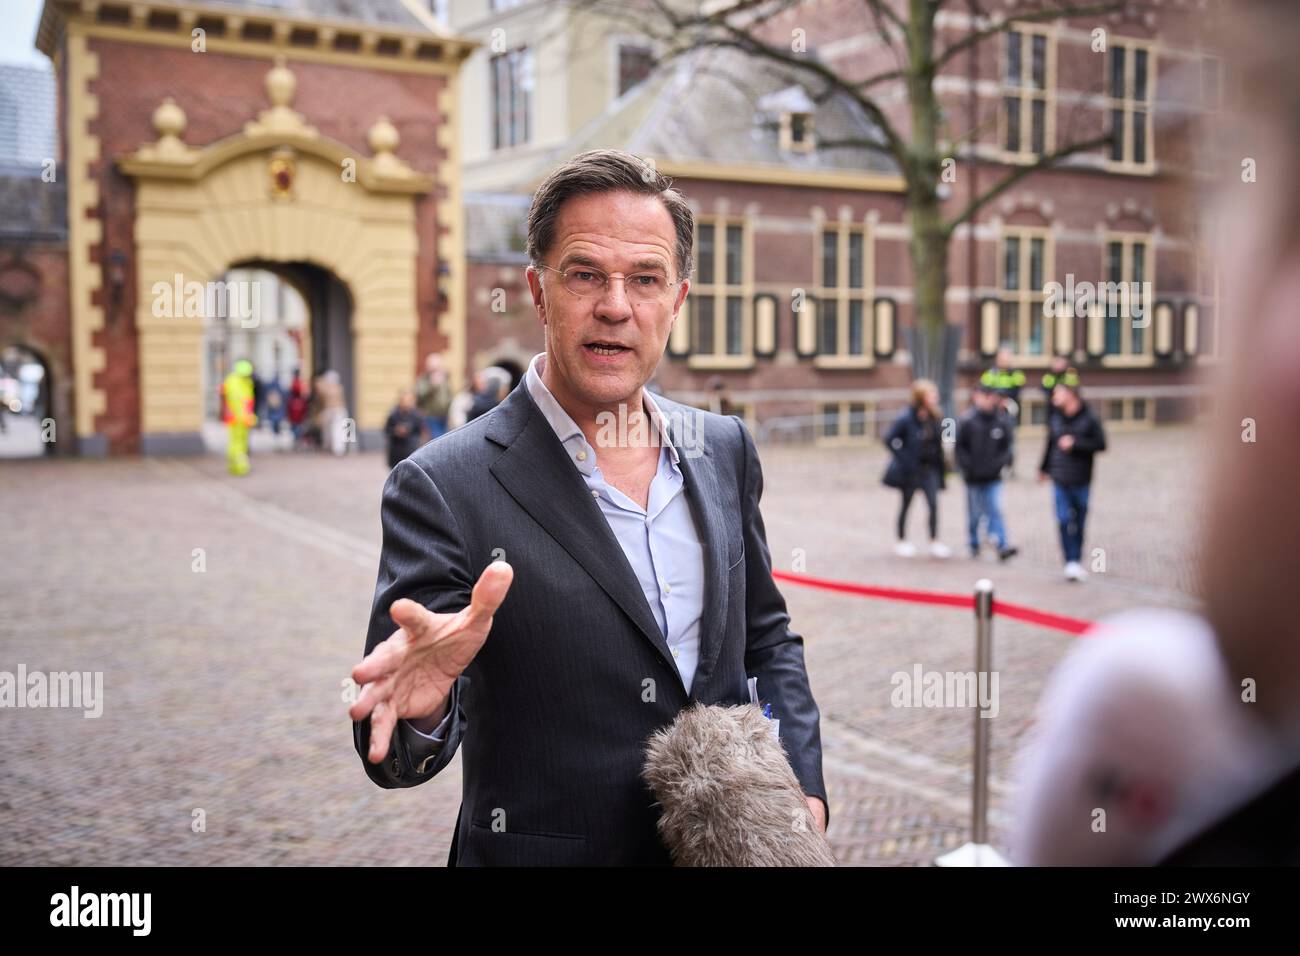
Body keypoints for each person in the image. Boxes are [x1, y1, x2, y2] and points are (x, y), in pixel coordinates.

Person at [348, 148, 827, 865]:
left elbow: (766, 638)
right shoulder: (443, 484)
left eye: (645, 279)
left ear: (678, 300)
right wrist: (428, 710)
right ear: (538, 293)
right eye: (585, 275)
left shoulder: (723, 447)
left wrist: (805, 793)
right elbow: (394, 744)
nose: (616, 305)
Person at [1038, 382, 1105, 581]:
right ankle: (1070, 560)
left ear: (1070, 395)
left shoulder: (1089, 418)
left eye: (1057, 393)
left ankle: (1076, 557)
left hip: (1081, 478)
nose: (1053, 397)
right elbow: (1050, 443)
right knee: (1063, 519)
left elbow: (1101, 444)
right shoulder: (1055, 417)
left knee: (1079, 519)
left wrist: (1076, 445)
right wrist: (1043, 469)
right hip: (1060, 478)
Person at [883, 379, 950, 558]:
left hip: (930, 469)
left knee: (933, 504)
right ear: (921, 397)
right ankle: (901, 540)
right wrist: (904, 459)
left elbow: (945, 437)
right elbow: (889, 439)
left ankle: (934, 541)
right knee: (906, 504)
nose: (935, 398)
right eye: (931, 395)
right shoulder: (906, 417)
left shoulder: (936, 417)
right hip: (911, 471)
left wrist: (945, 459)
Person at [956, 384, 1018, 561]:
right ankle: (974, 543)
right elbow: (959, 447)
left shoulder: (1001, 421)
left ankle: (1002, 544)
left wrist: (1001, 465)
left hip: (993, 477)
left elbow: (1007, 447)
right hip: (973, 477)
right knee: (975, 513)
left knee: (996, 510)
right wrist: (967, 467)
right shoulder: (967, 420)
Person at [221, 359, 257, 476]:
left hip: (235, 418)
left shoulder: (235, 381)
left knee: (235, 442)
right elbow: (239, 403)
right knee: (239, 442)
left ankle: (235, 465)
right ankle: (241, 465)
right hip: (239, 419)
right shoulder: (238, 383)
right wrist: (246, 417)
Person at [415, 353, 452, 441]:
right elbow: (420, 395)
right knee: (437, 439)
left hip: (444, 415)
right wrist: (432, 387)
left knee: (445, 438)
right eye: (433, 368)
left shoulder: (445, 378)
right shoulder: (423, 379)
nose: (436, 370)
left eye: (438, 367)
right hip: (430, 416)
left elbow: (449, 395)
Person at [384, 389, 425, 468]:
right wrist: (396, 431)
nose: (406, 404)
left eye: (408, 401)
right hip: (396, 452)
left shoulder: (417, 415)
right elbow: (387, 430)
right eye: (404, 401)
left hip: (411, 452)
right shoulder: (393, 414)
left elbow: (421, 431)